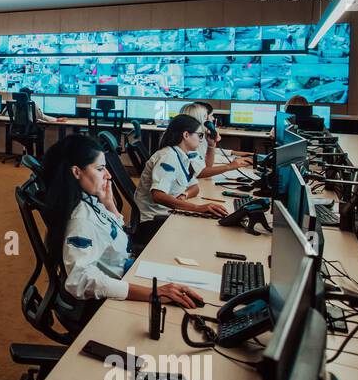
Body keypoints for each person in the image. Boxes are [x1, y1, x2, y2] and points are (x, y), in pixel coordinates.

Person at [43, 134, 203, 308]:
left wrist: (109, 205)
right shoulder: (81, 220)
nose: (108, 175)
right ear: (76, 172)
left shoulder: (88, 201)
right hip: (113, 293)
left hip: (126, 270)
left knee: (190, 281)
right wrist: (153, 293)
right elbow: (79, 280)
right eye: (100, 169)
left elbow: (114, 236)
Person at [133, 113, 230, 244]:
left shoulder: (182, 156)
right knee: (208, 237)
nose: (202, 140)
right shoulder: (168, 157)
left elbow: (194, 187)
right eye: (199, 135)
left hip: (169, 214)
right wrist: (197, 208)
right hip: (155, 221)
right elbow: (158, 195)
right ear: (186, 135)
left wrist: (184, 194)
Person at [180, 102, 250, 178]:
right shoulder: (186, 142)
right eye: (205, 117)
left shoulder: (195, 138)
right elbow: (198, 173)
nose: (210, 120)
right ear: (198, 120)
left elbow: (206, 166)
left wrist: (211, 145)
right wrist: (229, 166)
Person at [11, 89, 54, 159]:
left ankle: (30, 156)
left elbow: (16, 117)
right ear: (28, 95)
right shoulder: (32, 104)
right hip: (29, 130)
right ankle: (40, 157)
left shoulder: (14, 105)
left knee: (28, 137)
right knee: (40, 131)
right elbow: (42, 116)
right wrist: (56, 119)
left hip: (19, 129)